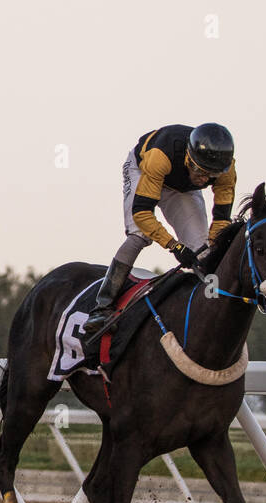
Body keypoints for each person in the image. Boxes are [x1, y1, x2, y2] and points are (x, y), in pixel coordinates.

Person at [81, 123, 237, 352]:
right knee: (139, 235)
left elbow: (222, 221)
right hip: (144, 171)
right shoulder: (159, 156)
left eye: (211, 175)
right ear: (189, 157)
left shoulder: (227, 170)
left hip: (181, 186)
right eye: (200, 171)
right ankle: (102, 306)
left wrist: (210, 248)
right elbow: (142, 214)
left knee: (203, 251)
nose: (204, 180)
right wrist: (175, 246)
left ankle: (210, 306)